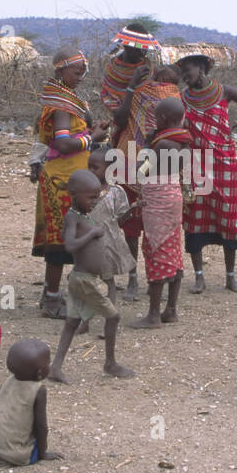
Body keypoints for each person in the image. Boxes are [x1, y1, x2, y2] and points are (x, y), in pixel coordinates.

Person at [32, 48, 110, 318]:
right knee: (61, 239)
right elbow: (64, 144)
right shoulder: (61, 104)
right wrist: (92, 137)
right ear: (60, 70)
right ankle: (53, 299)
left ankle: (50, 294)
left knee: (67, 235)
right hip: (62, 179)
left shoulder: (64, 98)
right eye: (76, 71)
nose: (80, 76)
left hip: (70, 175)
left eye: (82, 71)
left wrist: (90, 132)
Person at [179, 53, 237, 294]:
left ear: (202, 68)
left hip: (224, 162)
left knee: (228, 216)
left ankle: (230, 277)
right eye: (182, 72)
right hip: (195, 164)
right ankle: (199, 277)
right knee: (194, 216)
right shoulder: (181, 98)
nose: (185, 76)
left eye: (188, 70)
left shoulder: (224, 91)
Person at [49, 170, 133, 381]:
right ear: (74, 194)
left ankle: (56, 367)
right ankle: (110, 364)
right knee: (113, 317)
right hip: (83, 279)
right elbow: (69, 245)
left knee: (71, 322)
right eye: (91, 197)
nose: (96, 201)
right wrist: (92, 234)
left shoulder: (83, 215)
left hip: (86, 279)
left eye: (98, 196)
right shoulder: (72, 218)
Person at [111, 55, 183, 300]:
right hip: (144, 165)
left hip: (143, 167)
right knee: (143, 229)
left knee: (150, 232)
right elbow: (121, 118)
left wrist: (131, 86)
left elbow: (118, 120)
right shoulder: (145, 93)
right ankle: (151, 280)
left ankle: (151, 280)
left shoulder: (168, 99)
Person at [130, 97, 192, 328]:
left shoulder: (163, 145)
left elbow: (142, 172)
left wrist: (145, 149)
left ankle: (154, 315)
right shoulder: (183, 141)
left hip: (158, 201)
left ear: (163, 119)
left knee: (156, 250)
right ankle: (171, 310)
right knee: (173, 250)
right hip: (174, 198)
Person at [0, 339, 63, 468]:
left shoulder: (8, 381)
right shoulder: (38, 390)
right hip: (9, 453)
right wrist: (42, 453)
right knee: (32, 448)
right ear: (39, 373)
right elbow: (41, 427)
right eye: (48, 363)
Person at [79, 147, 138, 337]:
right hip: (88, 245)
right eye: (88, 167)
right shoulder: (84, 191)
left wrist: (132, 209)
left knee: (109, 283)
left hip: (107, 245)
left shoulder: (116, 192)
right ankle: (84, 321)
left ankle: (109, 322)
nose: (90, 171)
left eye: (94, 168)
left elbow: (120, 221)